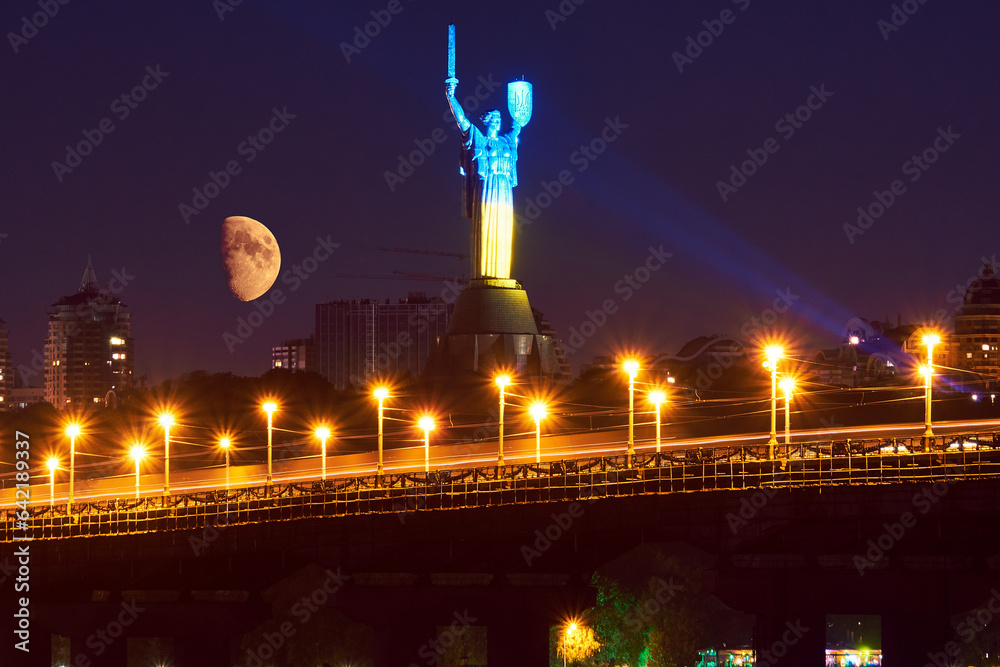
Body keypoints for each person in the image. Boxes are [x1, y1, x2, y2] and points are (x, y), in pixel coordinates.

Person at [446, 78, 522, 280]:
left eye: (499, 118)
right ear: (486, 121)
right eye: (494, 118)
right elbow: (461, 120)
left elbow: (518, 124)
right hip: (487, 187)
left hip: (505, 189)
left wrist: (520, 107)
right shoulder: (479, 138)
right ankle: (484, 276)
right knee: (487, 228)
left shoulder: (507, 141)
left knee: (504, 230)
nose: (498, 120)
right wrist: (451, 96)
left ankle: (502, 276)